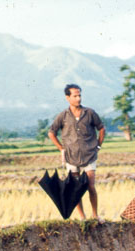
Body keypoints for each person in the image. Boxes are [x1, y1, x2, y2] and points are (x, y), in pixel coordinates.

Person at [47, 83, 105, 220]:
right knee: (76, 189)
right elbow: (51, 133)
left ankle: (95, 215)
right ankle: (82, 217)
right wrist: (61, 148)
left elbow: (101, 128)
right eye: (75, 96)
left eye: (79, 95)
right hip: (71, 157)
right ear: (67, 97)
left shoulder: (90, 113)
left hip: (89, 155)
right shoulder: (63, 116)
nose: (78, 98)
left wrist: (98, 146)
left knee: (91, 186)